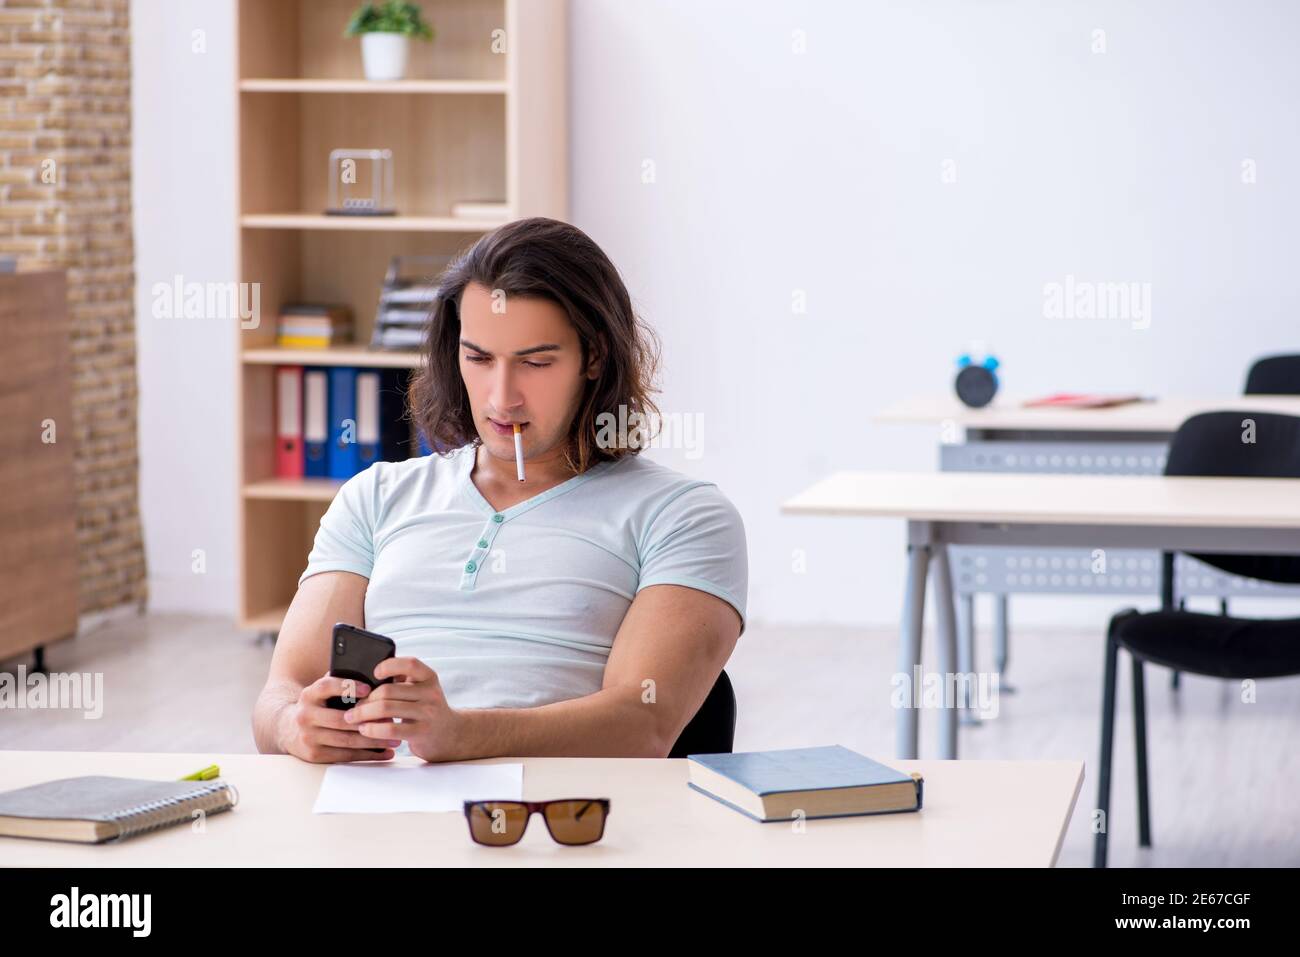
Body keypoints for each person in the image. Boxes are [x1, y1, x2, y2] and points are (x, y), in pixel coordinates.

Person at [252, 217, 747, 763]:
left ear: (596, 357)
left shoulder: (684, 516)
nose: (502, 397)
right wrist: (293, 726)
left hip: (550, 824)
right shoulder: (376, 495)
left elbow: (644, 724)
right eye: (479, 358)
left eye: (535, 362)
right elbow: (282, 689)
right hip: (375, 816)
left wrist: (462, 736)